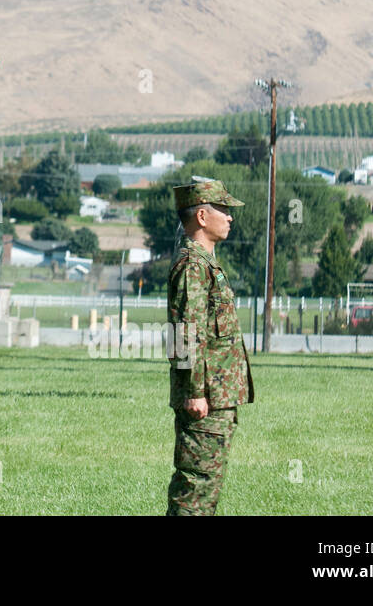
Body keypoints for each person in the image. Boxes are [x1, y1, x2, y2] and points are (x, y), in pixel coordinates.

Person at [166, 178, 254, 516]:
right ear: (202, 216)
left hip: (217, 399)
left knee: (206, 488)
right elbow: (185, 334)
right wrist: (193, 392)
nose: (230, 217)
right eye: (224, 210)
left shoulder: (205, 264)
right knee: (195, 488)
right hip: (204, 401)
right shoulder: (192, 266)